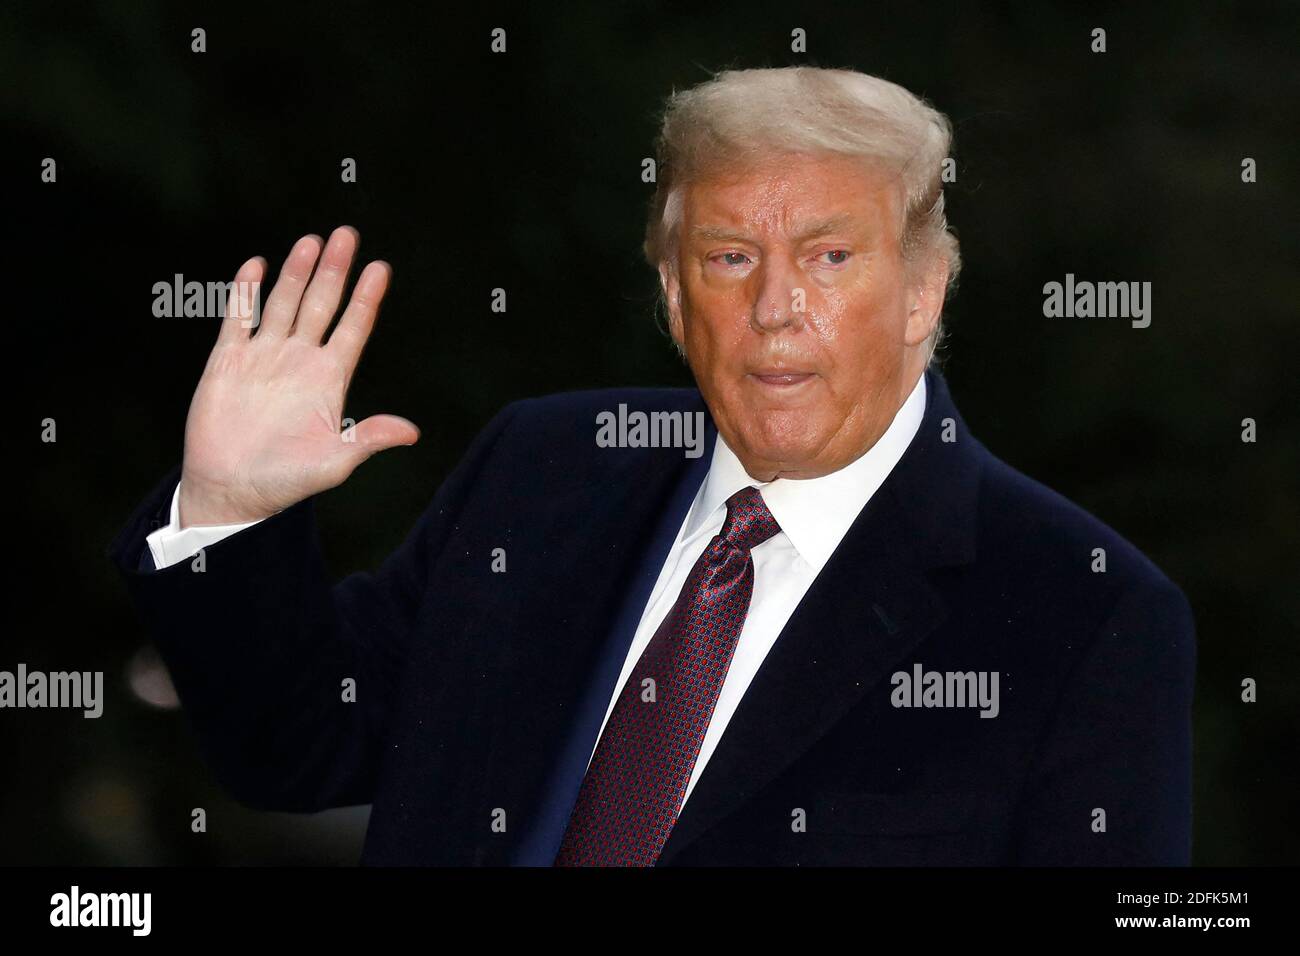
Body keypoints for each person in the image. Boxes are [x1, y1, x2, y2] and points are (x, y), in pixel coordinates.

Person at [109, 66, 1195, 866]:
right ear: (674, 296)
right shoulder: (542, 473)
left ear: (922, 291)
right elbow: (297, 747)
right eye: (729, 257)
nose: (774, 307)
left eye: (827, 256)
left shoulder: (1082, 610)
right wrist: (229, 514)